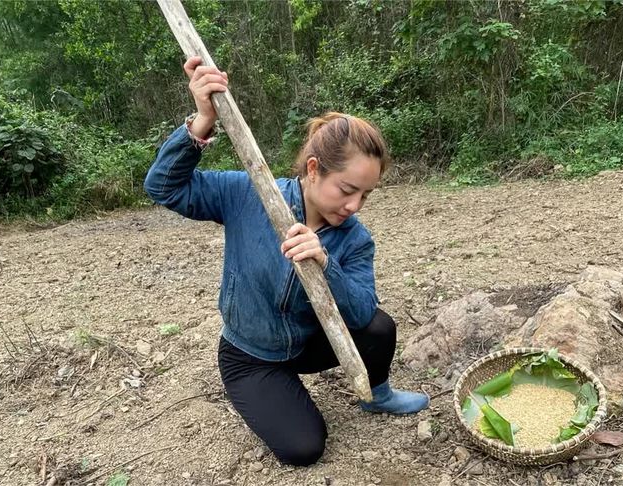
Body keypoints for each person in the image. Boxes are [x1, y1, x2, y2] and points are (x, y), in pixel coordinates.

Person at [144, 57, 429, 466]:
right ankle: (273, 391)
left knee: (380, 328)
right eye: (347, 190)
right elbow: (162, 187)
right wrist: (203, 121)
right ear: (314, 169)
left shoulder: (355, 238)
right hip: (251, 355)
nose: (354, 205)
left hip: (307, 343)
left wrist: (325, 263)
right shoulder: (248, 194)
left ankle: (377, 394)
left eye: (365, 195)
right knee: (303, 449)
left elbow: (363, 310)